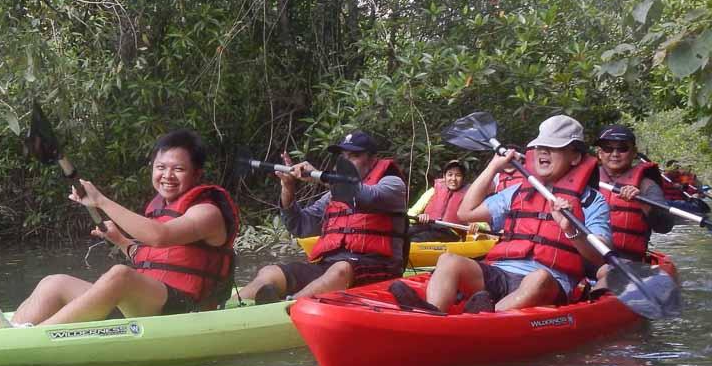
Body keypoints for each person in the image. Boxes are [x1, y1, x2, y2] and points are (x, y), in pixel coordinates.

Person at [0, 130, 239, 331]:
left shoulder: (208, 212)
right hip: (152, 302)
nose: (167, 175)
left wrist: (101, 200)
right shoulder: (160, 207)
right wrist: (121, 241)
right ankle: (8, 333)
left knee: (120, 275)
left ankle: (29, 338)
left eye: (178, 169)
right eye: (161, 167)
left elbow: (160, 237)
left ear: (197, 174)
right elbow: (155, 258)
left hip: (187, 312)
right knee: (54, 283)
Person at [388, 115, 611, 314]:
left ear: (575, 157)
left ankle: (483, 318)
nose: (543, 151)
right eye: (540, 146)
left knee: (539, 278)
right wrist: (493, 167)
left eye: (554, 147)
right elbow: (466, 212)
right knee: (448, 260)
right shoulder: (518, 192)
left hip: (549, 282)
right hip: (500, 273)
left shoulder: (591, 200)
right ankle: (432, 313)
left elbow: (599, 256)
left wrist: (571, 229)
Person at [236, 130, 407, 303]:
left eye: (354, 156)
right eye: (344, 156)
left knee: (340, 269)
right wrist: (288, 188)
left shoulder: (392, 184)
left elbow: (366, 197)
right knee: (270, 272)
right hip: (330, 266)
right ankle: (231, 307)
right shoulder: (331, 197)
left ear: (372, 160)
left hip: (377, 267)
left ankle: (287, 307)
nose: (346, 161)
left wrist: (320, 176)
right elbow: (300, 226)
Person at [593, 125, 674, 280]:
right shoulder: (585, 181)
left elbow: (665, 226)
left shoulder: (646, 185)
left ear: (634, 152)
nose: (615, 154)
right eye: (608, 148)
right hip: (588, 256)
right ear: (600, 153)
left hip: (627, 260)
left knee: (606, 271)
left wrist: (643, 202)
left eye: (622, 148)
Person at [407, 159, 468, 241]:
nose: (453, 178)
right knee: (404, 233)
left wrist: (476, 225)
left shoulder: (469, 195)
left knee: (417, 239)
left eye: (458, 175)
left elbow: (481, 222)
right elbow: (411, 213)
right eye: (450, 175)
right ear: (444, 176)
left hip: (450, 232)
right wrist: (418, 217)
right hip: (428, 225)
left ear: (463, 178)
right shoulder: (433, 190)